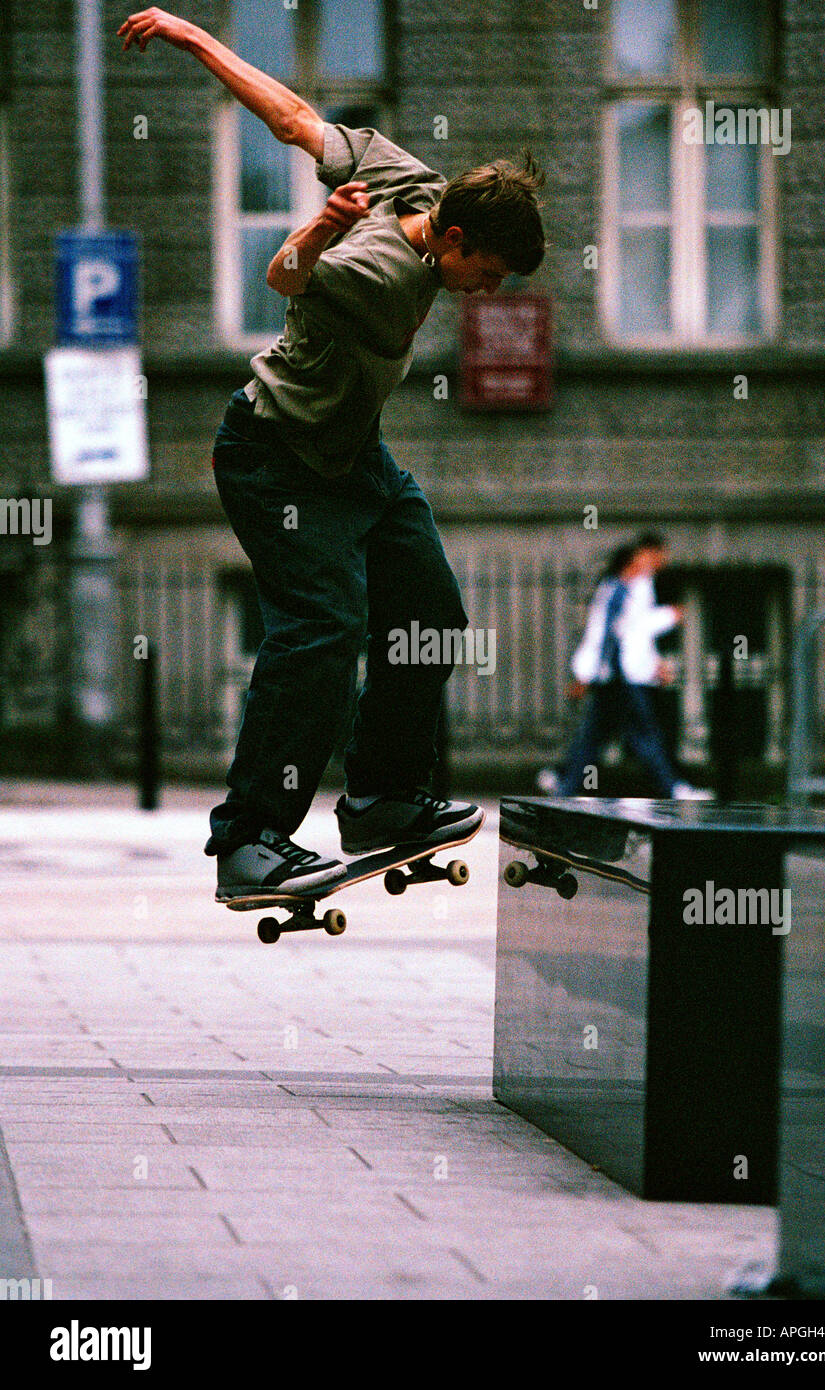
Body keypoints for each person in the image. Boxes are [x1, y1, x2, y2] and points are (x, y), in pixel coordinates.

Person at [119, 9, 547, 902]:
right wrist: (315, 237)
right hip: (273, 455)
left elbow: (288, 116)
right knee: (323, 625)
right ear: (458, 241)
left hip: (353, 458)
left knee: (430, 611)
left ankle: (386, 797)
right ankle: (250, 839)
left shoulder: (410, 180)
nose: (486, 293)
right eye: (489, 274)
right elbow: (281, 277)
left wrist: (192, 37)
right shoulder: (380, 275)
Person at [538, 534, 712, 800]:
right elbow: (611, 634)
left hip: (615, 678)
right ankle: (673, 788)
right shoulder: (621, 591)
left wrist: (651, 665)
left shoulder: (625, 589)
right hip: (622, 678)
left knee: (594, 738)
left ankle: (563, 783)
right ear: (630, 563)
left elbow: (629, 634)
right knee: (644, 735)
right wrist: (585, 675)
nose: (650, 564)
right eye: (642, 559)